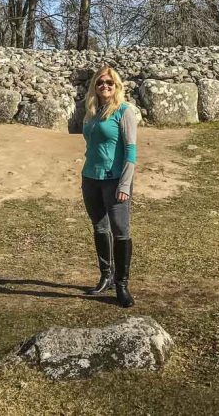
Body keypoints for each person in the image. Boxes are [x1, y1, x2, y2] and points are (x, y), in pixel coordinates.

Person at [80, 66, 138, 308]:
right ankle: (106, 275)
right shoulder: (92, 112)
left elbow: (131, 151)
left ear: (117, 86)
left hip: (115, 180)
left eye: (110, 83)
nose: (105, 86)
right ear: (95, 86)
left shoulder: (124, 111)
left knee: (120, 230)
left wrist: (124, 184)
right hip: (91, 178)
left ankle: (122, 284)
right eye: (100, 82)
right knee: (100, 227)